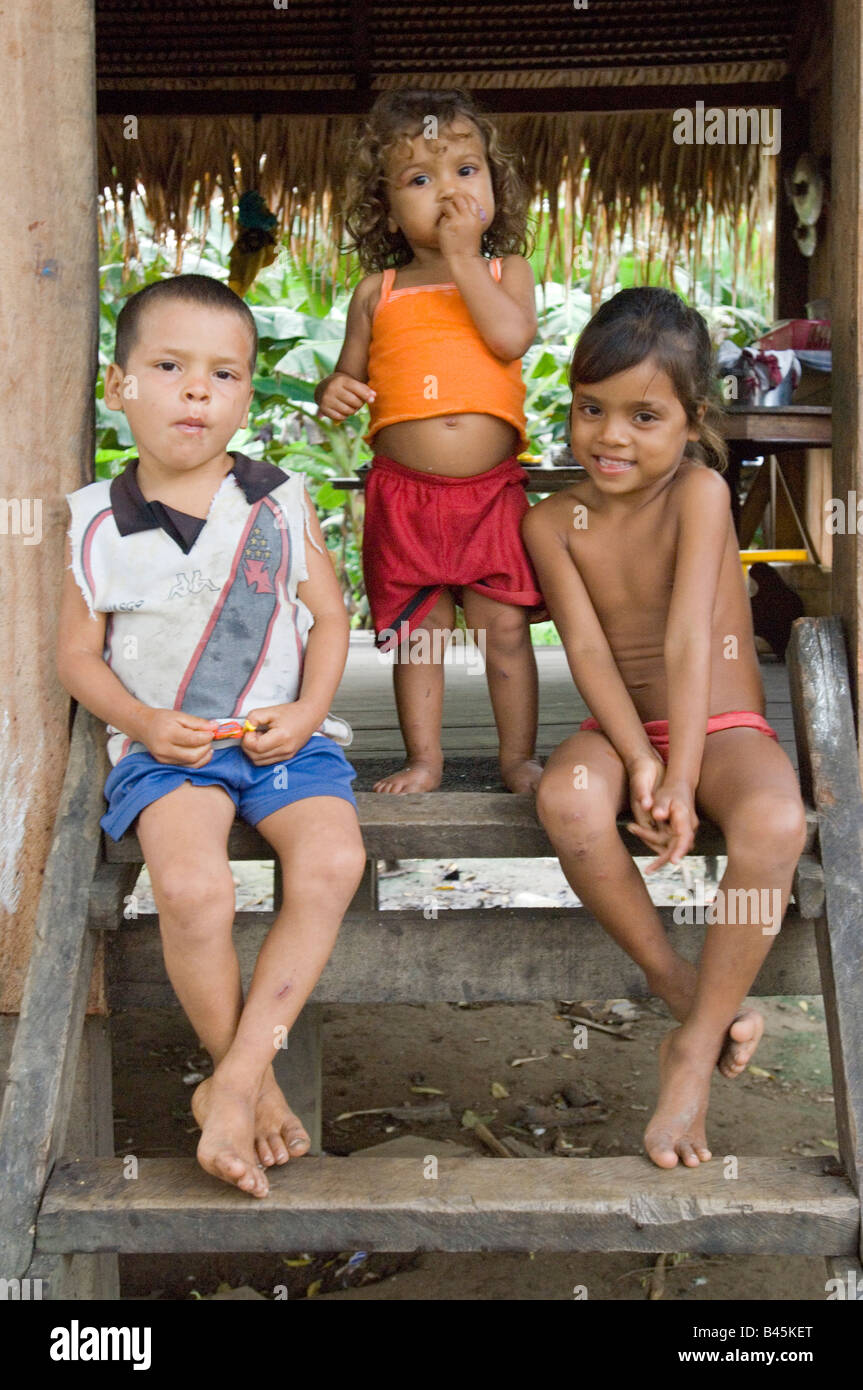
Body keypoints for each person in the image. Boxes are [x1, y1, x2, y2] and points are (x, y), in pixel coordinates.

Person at [57, 274, 366, 1199]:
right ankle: (250, 1082)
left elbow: (332, 616)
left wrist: (309, 713)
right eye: (169, 366)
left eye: (224, 373)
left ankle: (227, 1084)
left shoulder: (279, 500)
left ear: (247, 392)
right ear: (119, 386)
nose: (198, 390)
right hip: (167, 751)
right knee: (193, 890)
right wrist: (145, 722)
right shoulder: (94, 524)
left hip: (282, 739)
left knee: (332, 862)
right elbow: (77, 659)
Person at [523, 287, 807, 1169]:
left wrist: (679, 774)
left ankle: (689, 1051)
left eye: (644, 415)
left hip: (718, 724)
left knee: (775, 822)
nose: (610, 435)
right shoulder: (549, 521)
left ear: (691, 422)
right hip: (617, 726)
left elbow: (689, 640)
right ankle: (682, 990)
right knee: (567, 801)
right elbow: (587, 651)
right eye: (591, 410)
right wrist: (639, 758)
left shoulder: (700, 493)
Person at [316, 88, 544, 795]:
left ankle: (516, 760)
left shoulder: (506, 273)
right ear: (387, 209)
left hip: (489, 494)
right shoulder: (376, 291)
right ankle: (423, 760)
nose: (446, 192)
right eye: (420, 180)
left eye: (465, 172)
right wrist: (334, 392)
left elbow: (508, 337)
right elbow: (347, 380)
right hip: (403, 496)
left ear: (494, 187)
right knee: (418, 636)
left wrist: (464, 257)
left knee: (503, 629)